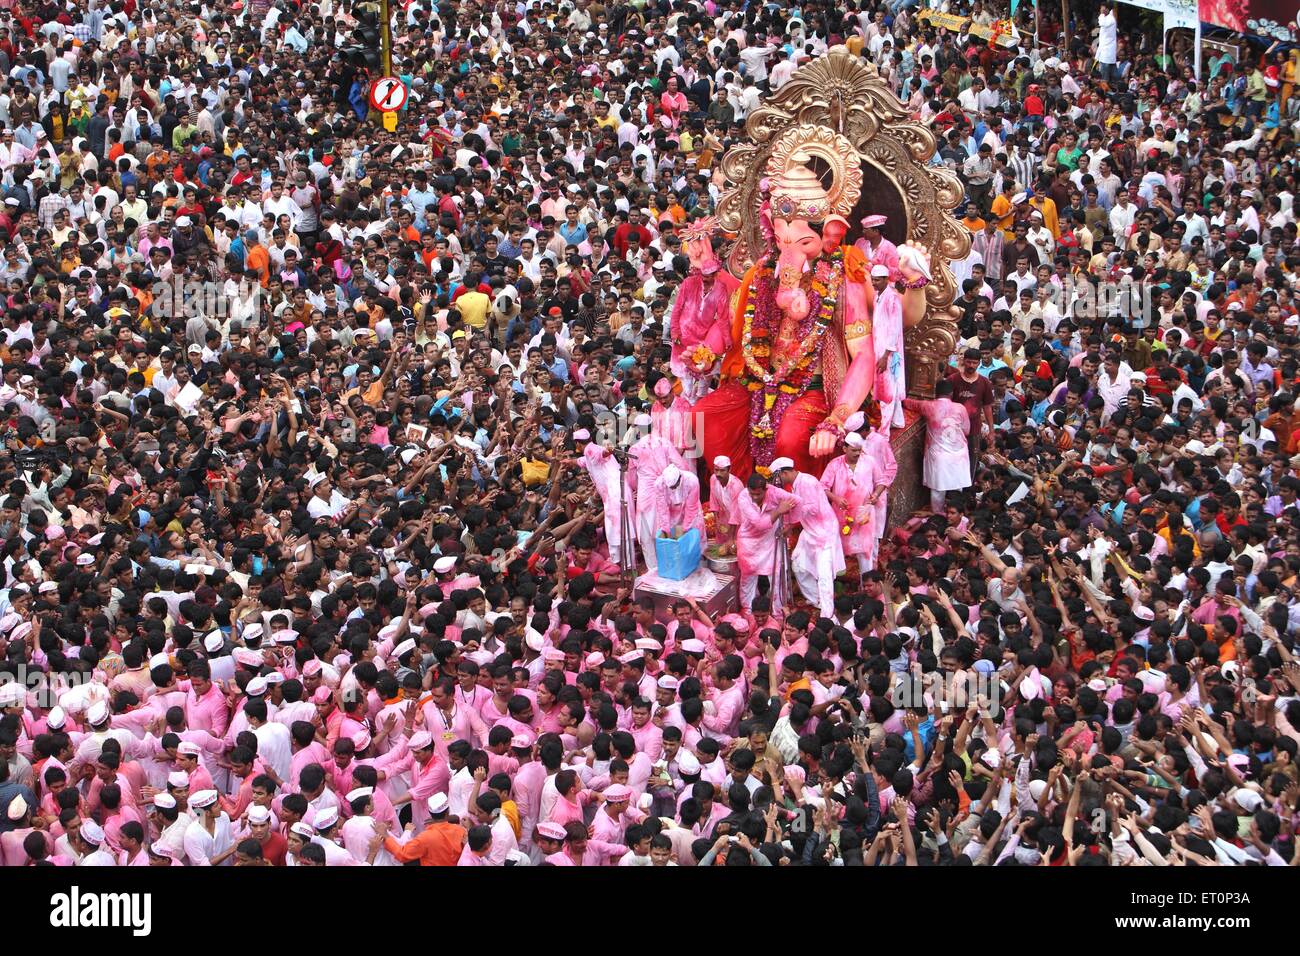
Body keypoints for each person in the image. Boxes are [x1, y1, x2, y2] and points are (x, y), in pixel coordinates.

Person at [772, 457, 846, 618]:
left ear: (785, 473)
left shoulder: (808, 482)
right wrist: (790, 523)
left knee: (824, 574)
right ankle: (815, 599)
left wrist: (789, 513)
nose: (779, 481)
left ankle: (827, 614)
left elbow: (812, 508)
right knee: (798, 563)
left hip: (824, 533)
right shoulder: (796, 485)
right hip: (810, 531)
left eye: (779, 478)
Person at [904, 381, 972, 514]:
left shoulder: (928, 406)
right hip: (959, 455)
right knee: (957, 489)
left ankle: (937, 516)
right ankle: (956, 517)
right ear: (951, 394)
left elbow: (907, 403)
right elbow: (967, 430)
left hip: (938, 457)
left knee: (937, 491)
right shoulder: (960, 408)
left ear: (936, 393)